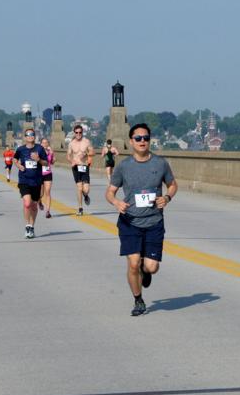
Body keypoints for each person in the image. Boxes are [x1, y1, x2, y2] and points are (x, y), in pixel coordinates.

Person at [106, 123, 178, 317]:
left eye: (145, 138)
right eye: (138, 138)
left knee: (151, 267)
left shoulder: (160, 163)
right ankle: (138, 299)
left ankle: (145, 272)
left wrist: (167, 198)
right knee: (133, 263)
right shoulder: (123, 167)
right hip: (130, 221)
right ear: (131, 142)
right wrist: (116, 202)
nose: (142, 141)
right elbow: (110, 192)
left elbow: (172, 185)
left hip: (154, 222)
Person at [14, 130, 48, 239]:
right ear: (25, 137)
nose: (30, 136)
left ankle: (32, 227)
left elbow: (46, 163)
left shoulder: (39, 148)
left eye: (32, 135)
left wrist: (38, 159)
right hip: (24, 180)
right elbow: (15, 159)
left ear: (35, 137)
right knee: (27, 203)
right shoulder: (21, 149)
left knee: (34, 205)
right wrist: (18, 166)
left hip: (36, 181)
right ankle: (27, 225)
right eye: (28, 135)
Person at [67, 124, 94, 215]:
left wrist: (86, 154)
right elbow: (68, 155)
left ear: (82, 132)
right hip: (75, 167)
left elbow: (92, 152)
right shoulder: (71, 143)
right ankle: (80, 208)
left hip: (84, 166)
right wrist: (72, 161)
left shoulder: (86, 141)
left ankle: (85, 195)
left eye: (80, 132)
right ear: (74, 133)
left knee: (86, 189)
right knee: (79, 188)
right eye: (76, 132)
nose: (78, 134)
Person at [39, 138, 54, 218]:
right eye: (43, 143)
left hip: (48, 173)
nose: (45, 144)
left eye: (46, 143)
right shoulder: (38, 152)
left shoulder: (50, 151)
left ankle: (48, 211)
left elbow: (52, 162)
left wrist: (51, 154)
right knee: (40, 194)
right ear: (41, 144)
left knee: (47, 191)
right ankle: (39, 202)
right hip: (39, 174)